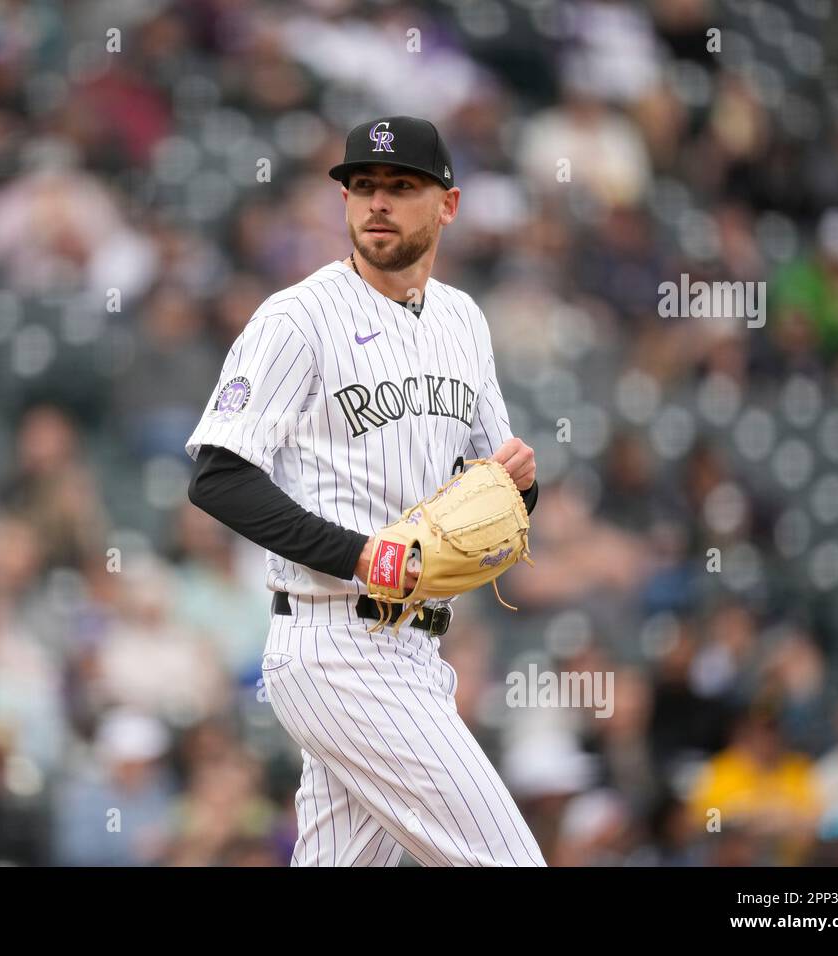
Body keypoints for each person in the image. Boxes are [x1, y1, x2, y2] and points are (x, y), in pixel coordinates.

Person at [186, 117, 544, 866]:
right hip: (336, 644)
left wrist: (521, 488)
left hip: (415, 645)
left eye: (401, 187)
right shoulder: (298, 318)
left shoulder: (463, 320)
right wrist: (359, 556)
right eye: (363, 186)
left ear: (447, 205)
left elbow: (491, 486)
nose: (377, 202)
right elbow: (218, 477)